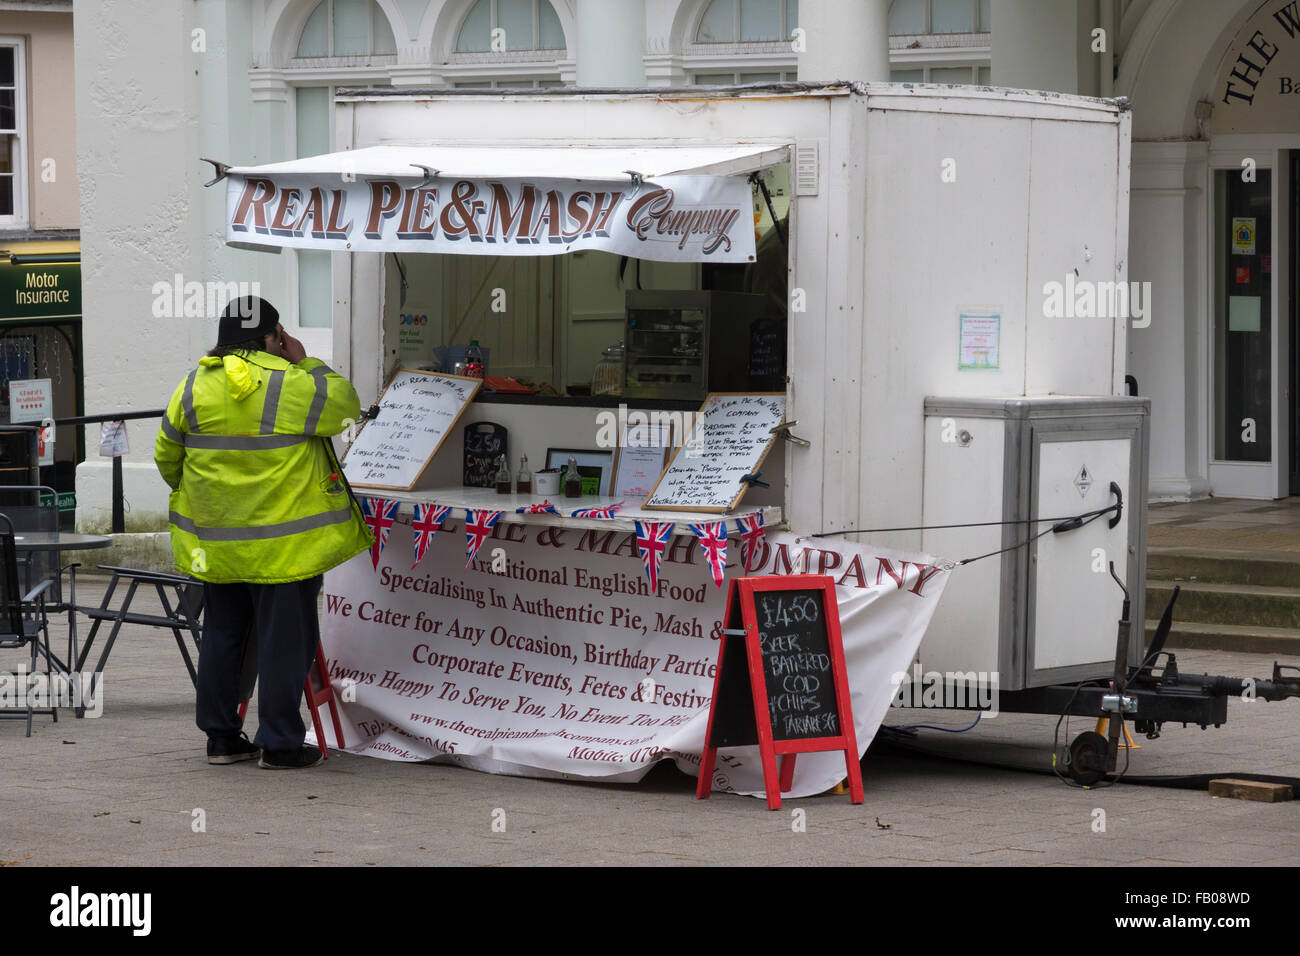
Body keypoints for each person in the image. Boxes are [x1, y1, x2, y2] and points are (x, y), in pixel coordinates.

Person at [155, 296, 372, 769]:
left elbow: (168, 460)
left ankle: (222, 739)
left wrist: (214, 500)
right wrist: (306, 358)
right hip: (283, 548)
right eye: (280, 336)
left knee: (224, 636)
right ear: (271, 337)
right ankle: (279, 743)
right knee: (282, 641)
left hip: (216, 545)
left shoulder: (192, 386)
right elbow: (347, 408)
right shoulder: (291, 383)